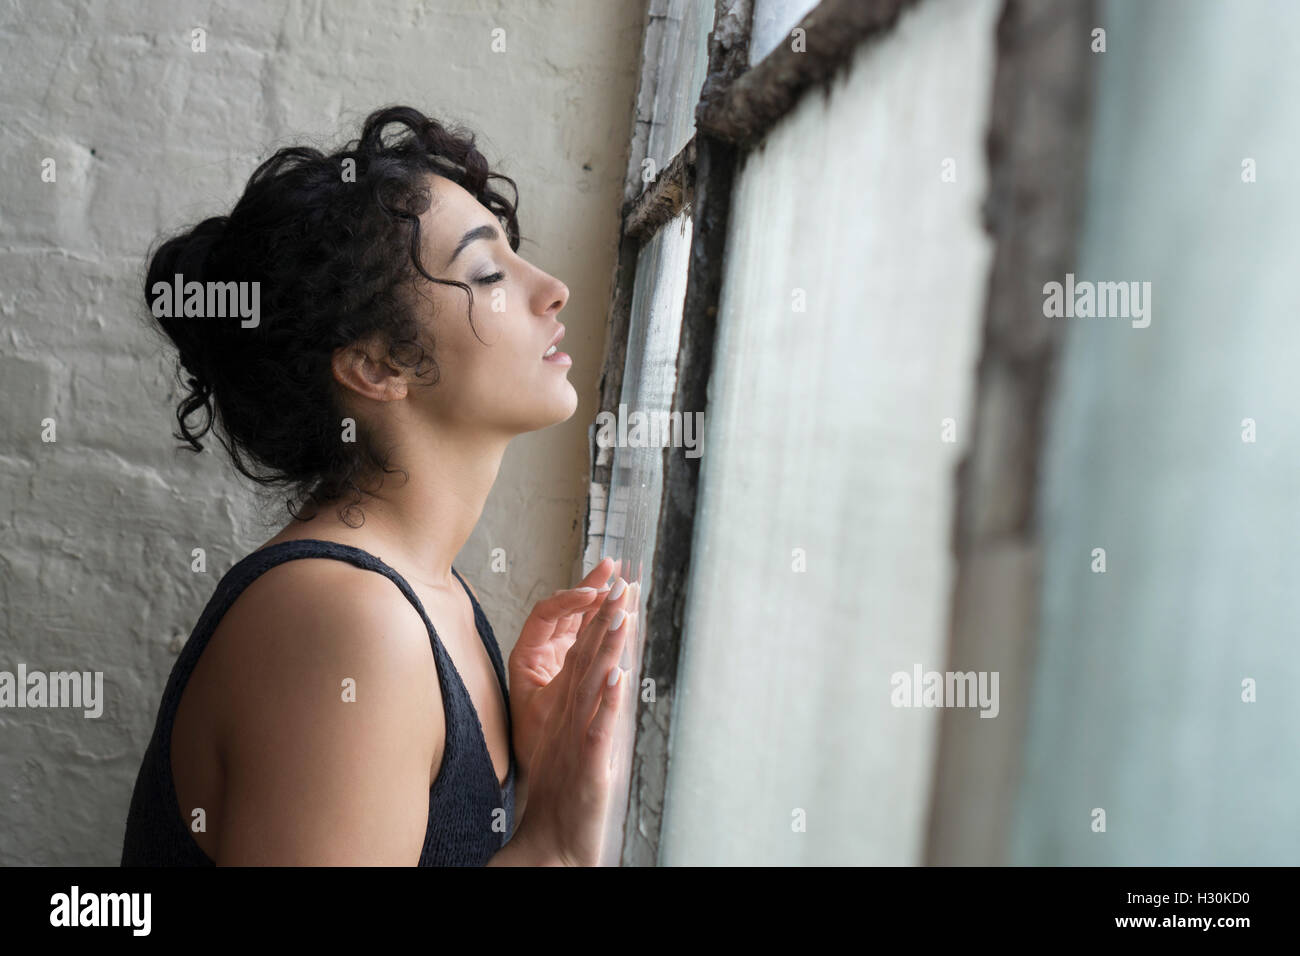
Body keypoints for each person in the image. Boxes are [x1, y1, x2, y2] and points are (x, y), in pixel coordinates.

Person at [120, 105, 637, 866]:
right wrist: (552, 844)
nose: (553, 289)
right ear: (377, 366)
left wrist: (535, 761)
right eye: (488, 272)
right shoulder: (348, 621)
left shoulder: (431, 597)